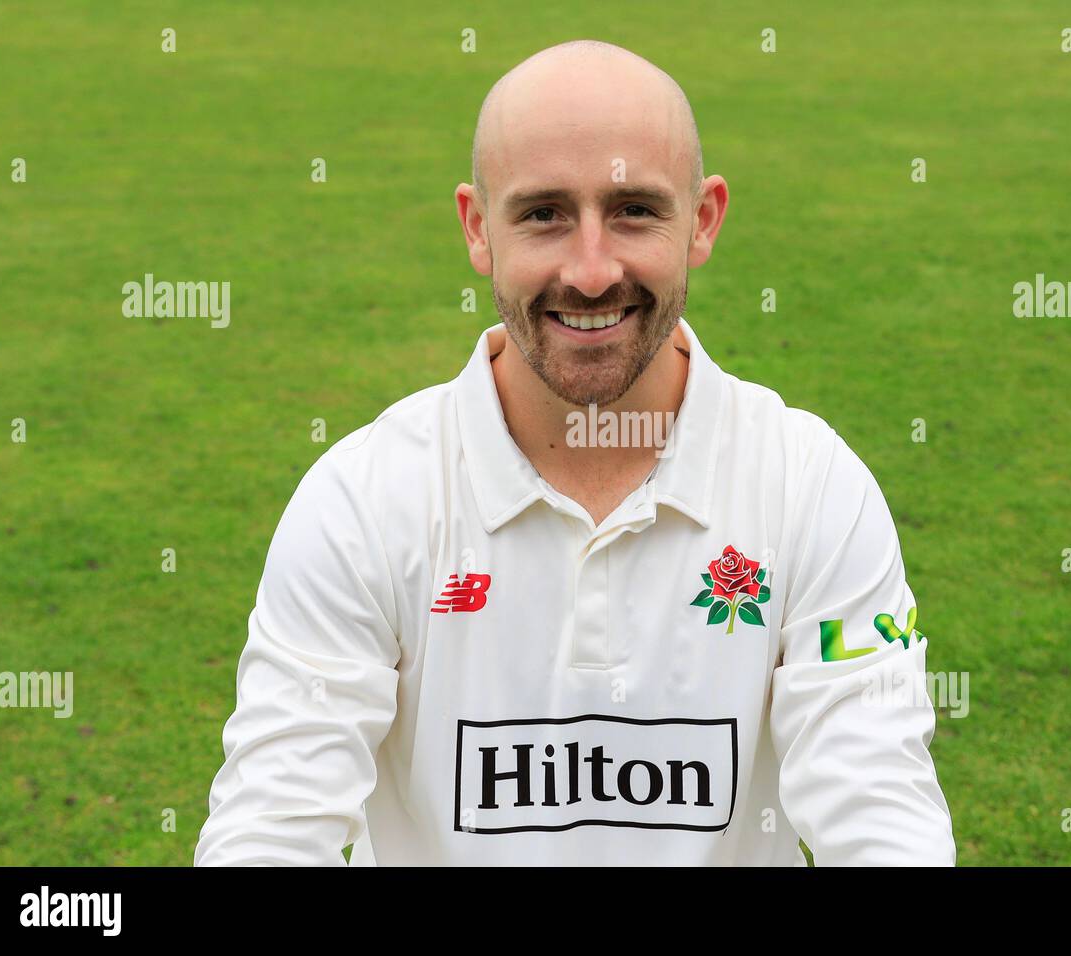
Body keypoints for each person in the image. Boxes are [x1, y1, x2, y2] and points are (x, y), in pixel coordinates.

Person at [194, 39, 955, 866]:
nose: (591, 273)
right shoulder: (363, 500)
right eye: (544, 214)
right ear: (478, 229)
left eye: (633, 210)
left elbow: (882, 814)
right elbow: (270, 826)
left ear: (702, 220)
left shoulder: (811, 488)